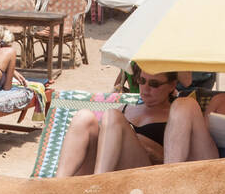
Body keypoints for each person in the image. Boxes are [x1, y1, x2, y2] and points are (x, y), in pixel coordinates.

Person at [54, 67, 186, 176]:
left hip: (143, 178)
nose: (145, 89)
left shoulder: (176, 116)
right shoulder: (124, 108)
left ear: (171, 86)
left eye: (154, 84)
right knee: (84, 117)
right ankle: (56, 186)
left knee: (113, 115)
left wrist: (139, 141)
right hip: (109, 170)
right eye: (141, 80)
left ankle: (98, 183)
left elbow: (171, 161)